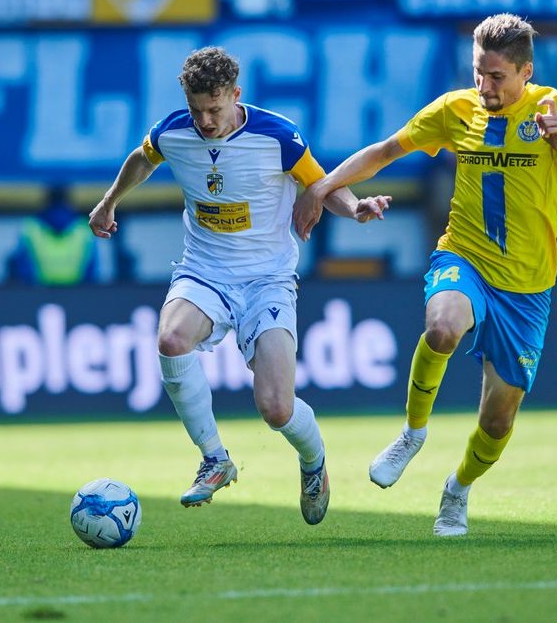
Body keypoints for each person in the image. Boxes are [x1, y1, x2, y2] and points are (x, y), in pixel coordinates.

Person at [293, 14, 557, 536]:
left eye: (496, 77)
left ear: (525, 71)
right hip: (463, 257)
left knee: (497, 420)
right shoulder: (455, 108)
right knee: (442, 327)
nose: (483, 86)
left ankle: (457, 489)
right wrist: (322, 186)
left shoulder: (556, 110)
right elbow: (386, 150)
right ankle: (412, 433)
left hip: (528, 287)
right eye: (478, 73)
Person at [88, 47, 390, 525]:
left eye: (215, 108)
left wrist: (356, 209)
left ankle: (313, 463)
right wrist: (108, 203)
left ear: (235, 95)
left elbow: (323, 185)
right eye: (196, 110)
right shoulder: (172, 132)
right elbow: (141, 159)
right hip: (204, 271)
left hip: (268, 281)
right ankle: (214, 458)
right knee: (170, 338)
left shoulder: (278, 135)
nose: (205, 121)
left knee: (275, 408)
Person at [10, 185, 100, 286]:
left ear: (45, 201)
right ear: (69, 202)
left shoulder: (30, 227)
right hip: (77, 294)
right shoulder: (84, 228)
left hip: (38, 294)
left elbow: (23, 269)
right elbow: (91, 271)